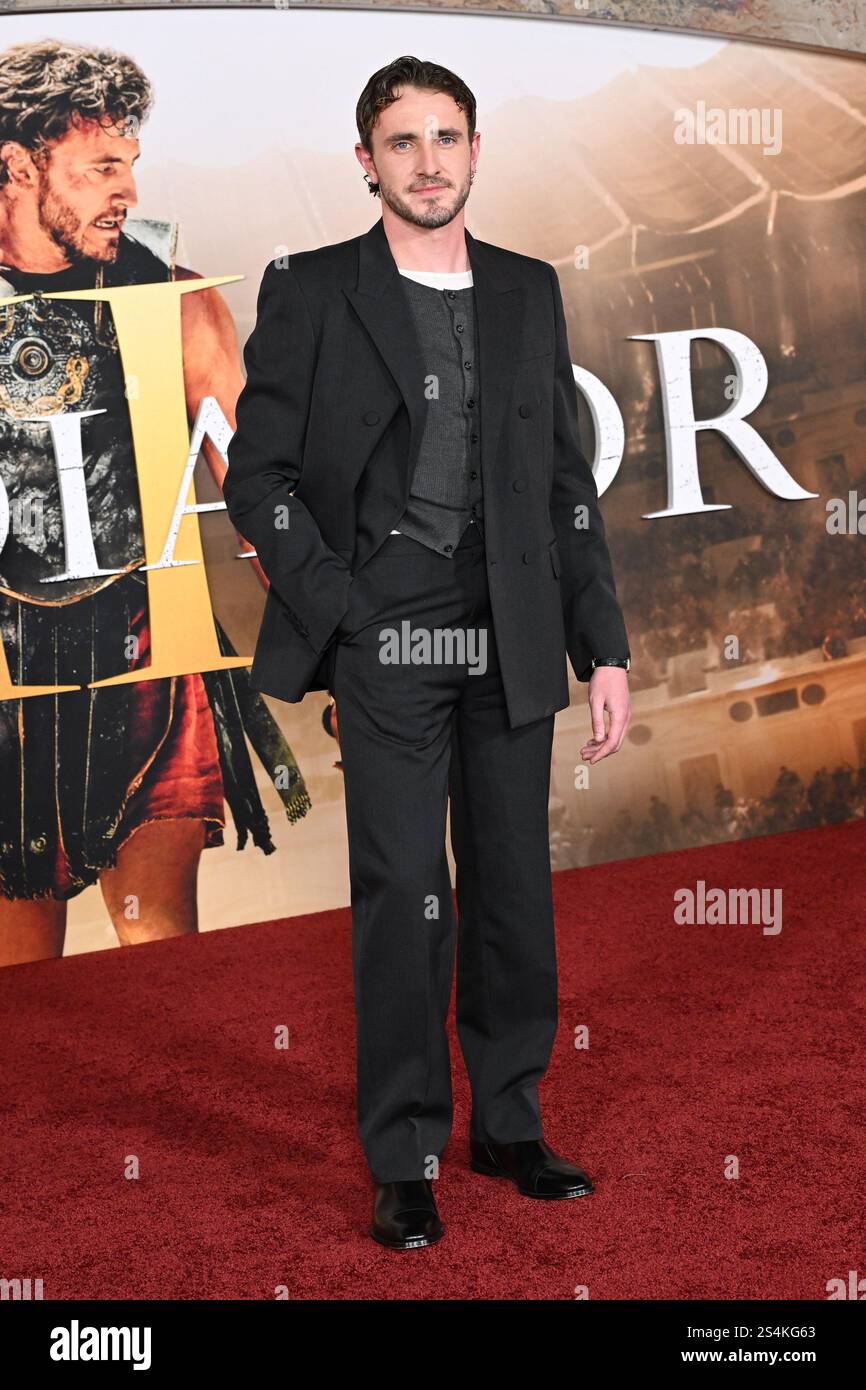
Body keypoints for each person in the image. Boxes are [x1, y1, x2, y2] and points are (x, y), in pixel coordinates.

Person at [224, 55, 631, 1250]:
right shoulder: (309, 289)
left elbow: (563, 484)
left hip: (508, 624)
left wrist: (597, 643)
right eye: (401, 142)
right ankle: (403, 1150)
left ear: (472, 150)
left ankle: (507, 1120)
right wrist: (343, 610)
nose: (428, 160)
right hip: (385, 632)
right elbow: (259, 476)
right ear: (366, 162)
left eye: (447, 137)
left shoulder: (525, 290)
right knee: (405, 894)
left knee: (510, 884)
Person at [0, 40, 310, 963]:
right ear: (18, 167)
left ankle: (186, 1112)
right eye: (99, 168)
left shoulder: (174, 299)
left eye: (130, 165)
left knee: (161, 952)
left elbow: (257, 494)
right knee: (21, 986)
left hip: (151, 659)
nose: (126, 188)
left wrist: (345, 636)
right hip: (5, 684)